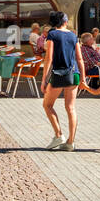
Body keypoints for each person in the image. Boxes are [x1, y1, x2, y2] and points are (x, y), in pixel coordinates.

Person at [40, 10, 83, 152]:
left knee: (47, 105)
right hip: (74, 74)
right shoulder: (73, 35)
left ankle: (58, 135)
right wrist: (83, 78)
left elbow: (49, 58)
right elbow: (79, 58)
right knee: (71, 108)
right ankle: (71, 142)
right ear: (65, 21)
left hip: (59, 74)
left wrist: (44, 80)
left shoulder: (52, 34)